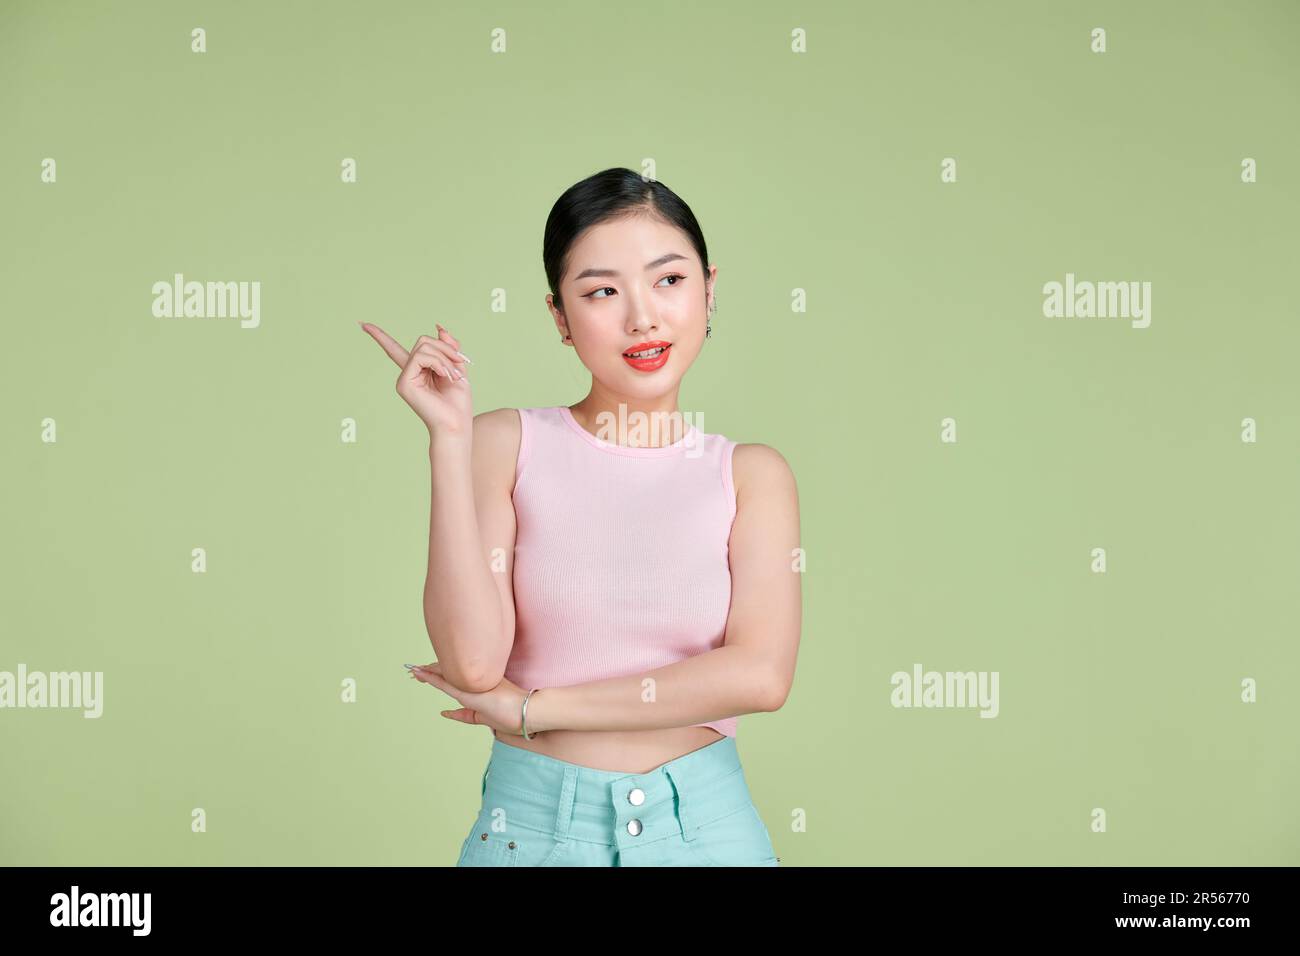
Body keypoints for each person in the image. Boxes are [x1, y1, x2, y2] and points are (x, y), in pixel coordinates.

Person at [361, 167, 801, 866]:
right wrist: (449, 441)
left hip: (707, 834)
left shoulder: (751, 475)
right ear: (560, 318)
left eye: (669, 281)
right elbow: (474, 664)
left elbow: (759, 677)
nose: (642, 317)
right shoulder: (506, 444)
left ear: (709, 290)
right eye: (601, 291)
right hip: (529, 831)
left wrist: (534, 710)